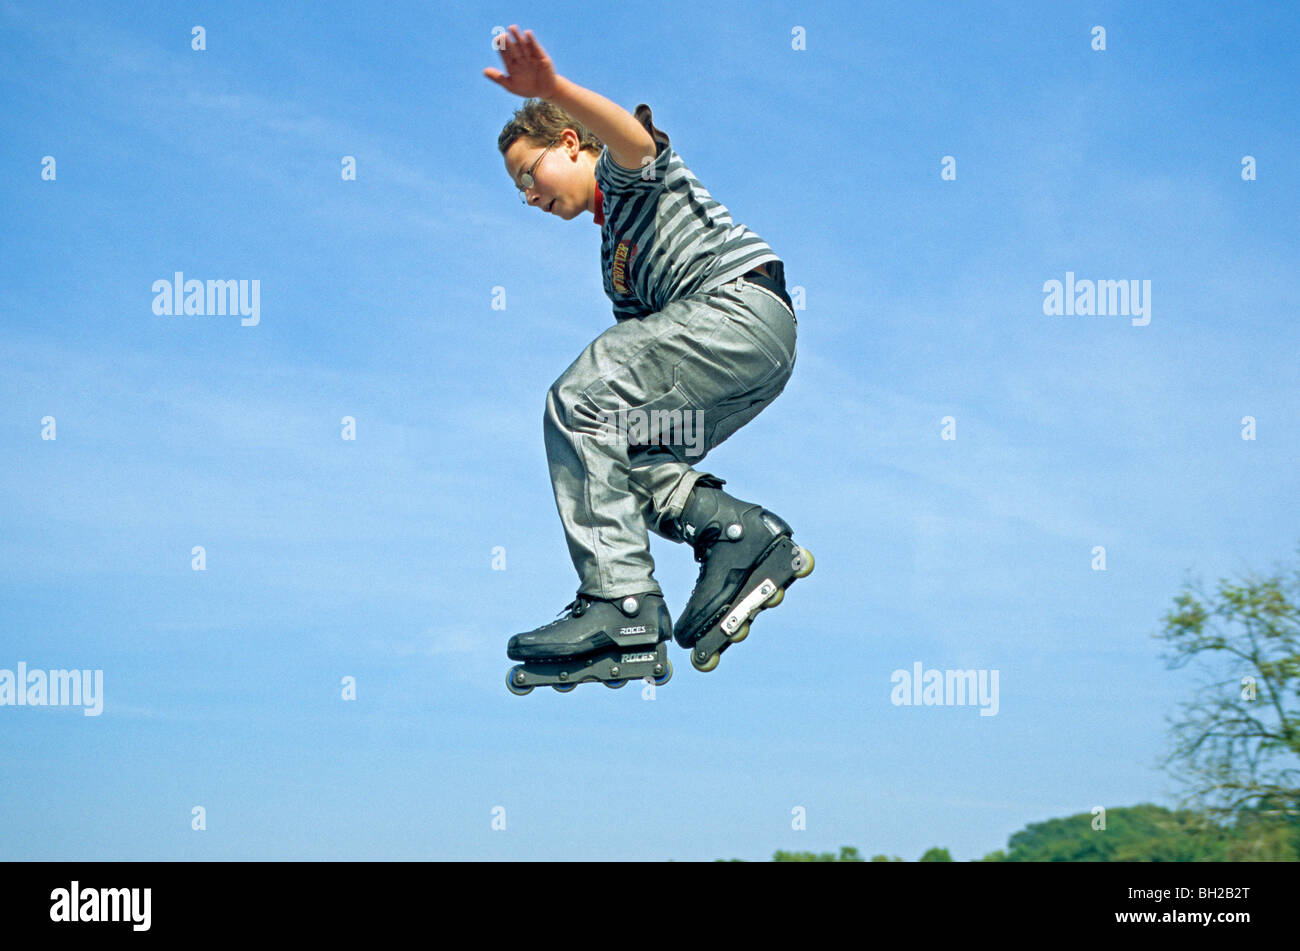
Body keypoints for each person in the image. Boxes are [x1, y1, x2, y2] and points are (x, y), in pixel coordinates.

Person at [485, 26, 809, 688]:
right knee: (616, 450)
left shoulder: (626, 177)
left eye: (529, 173)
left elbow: (632, 141)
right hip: (744, 364)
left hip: (739, 312)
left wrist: (552, 91)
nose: (528, 196)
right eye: (518, 189)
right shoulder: (617, 269)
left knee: (576, 399)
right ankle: (736, 532)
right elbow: (646, 370)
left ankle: (618, 601)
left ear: (570, 143)